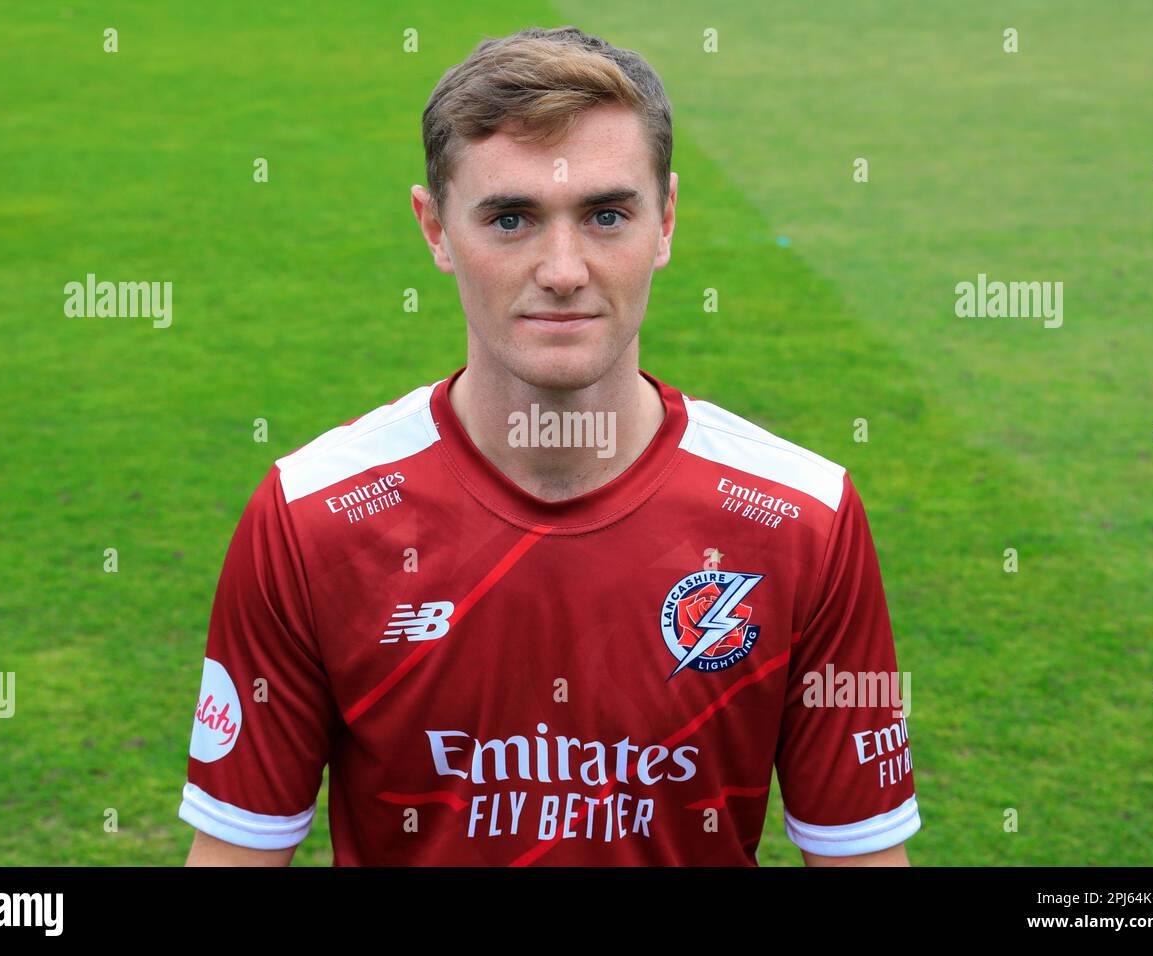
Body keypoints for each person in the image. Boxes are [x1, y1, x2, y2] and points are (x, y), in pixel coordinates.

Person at [181, 25, 919, 866]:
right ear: (434, 229)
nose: (563, 268)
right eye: (511, 218)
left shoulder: (802, 520)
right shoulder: (311, 519)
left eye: (607, 214)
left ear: (667, 220)